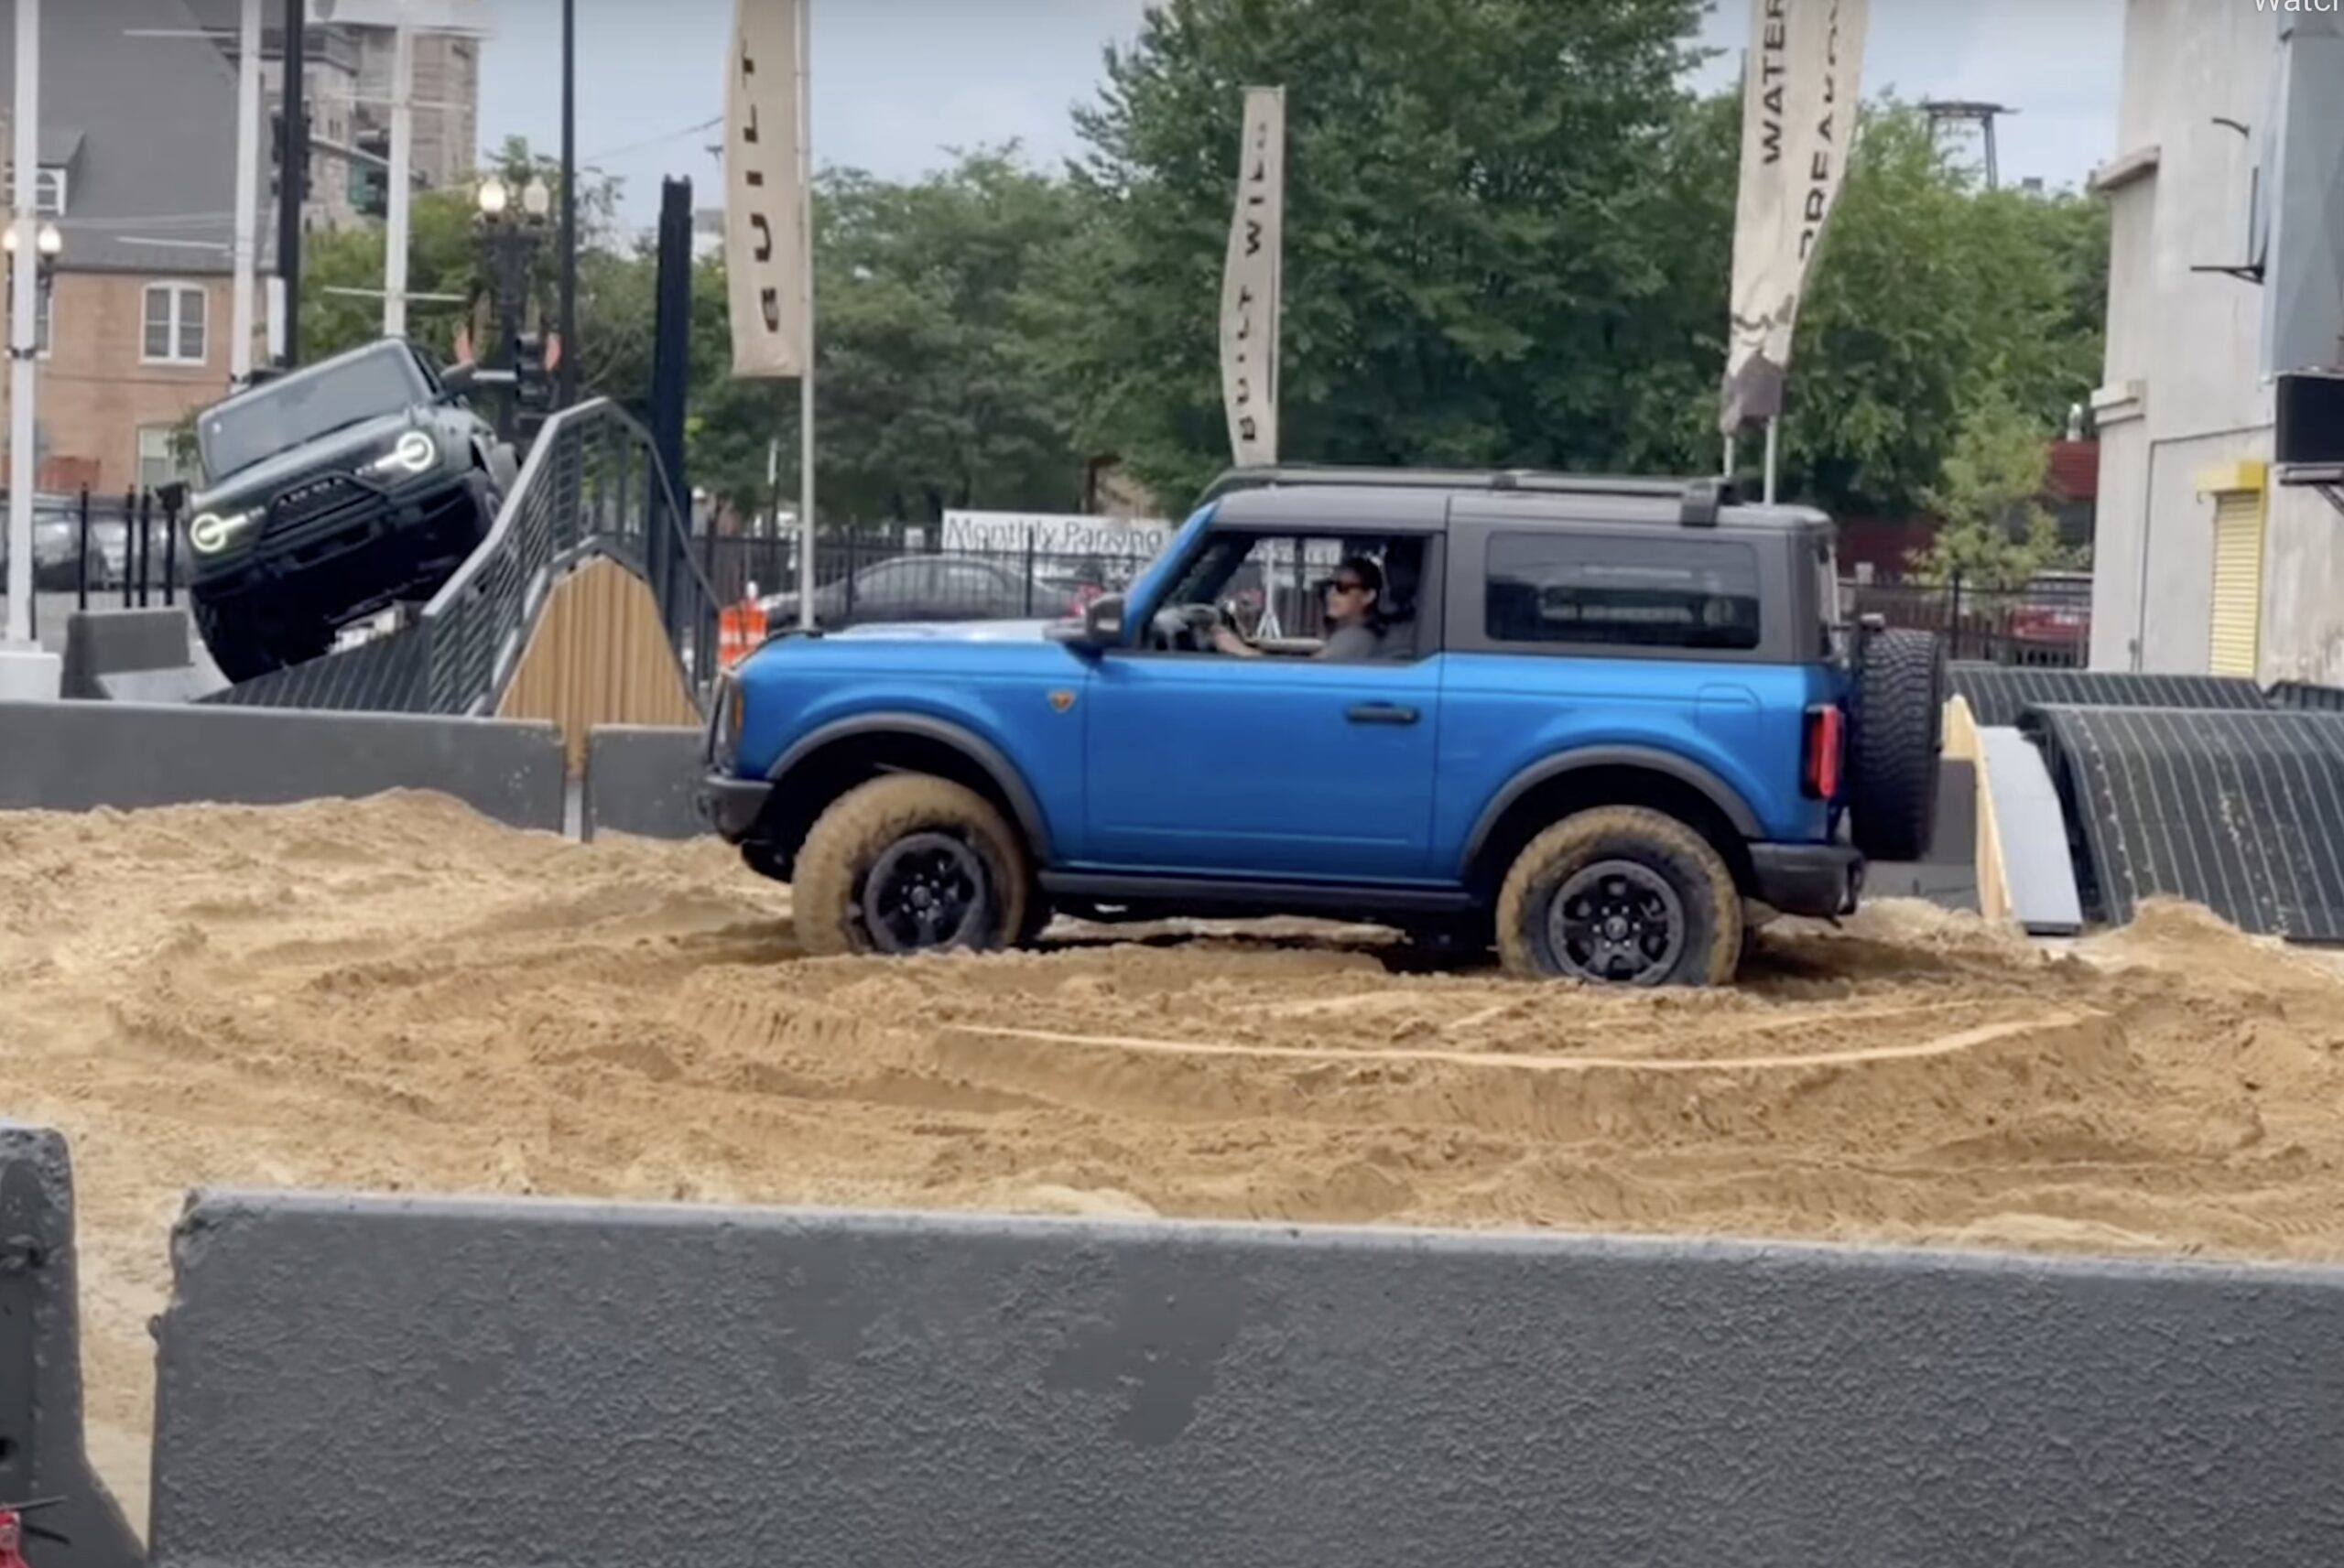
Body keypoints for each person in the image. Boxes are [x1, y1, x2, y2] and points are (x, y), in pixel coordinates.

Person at [1213, 555, 1385, 660]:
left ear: (1368, 596)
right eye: (1329, 585)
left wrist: (1239, 650)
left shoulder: (1355, 638)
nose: (1331, 594)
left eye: (1343, 588)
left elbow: (1303, 675)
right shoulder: (1350, 634)